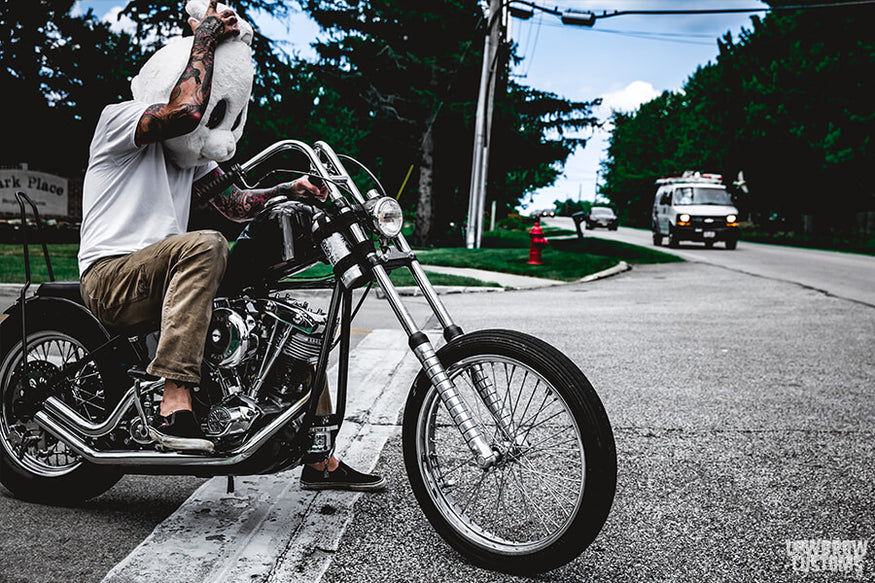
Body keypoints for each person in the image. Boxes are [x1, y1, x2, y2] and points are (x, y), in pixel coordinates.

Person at [77, 1, 384, 492]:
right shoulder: (119, 120)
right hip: (111, 277)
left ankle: (318, 458)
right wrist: (207, 36)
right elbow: (184, 112)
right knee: (205, 245)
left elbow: (234, 202)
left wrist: (289, 190)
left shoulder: (189, 157)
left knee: (291, 324)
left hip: (164, 276)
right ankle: (173, 396)